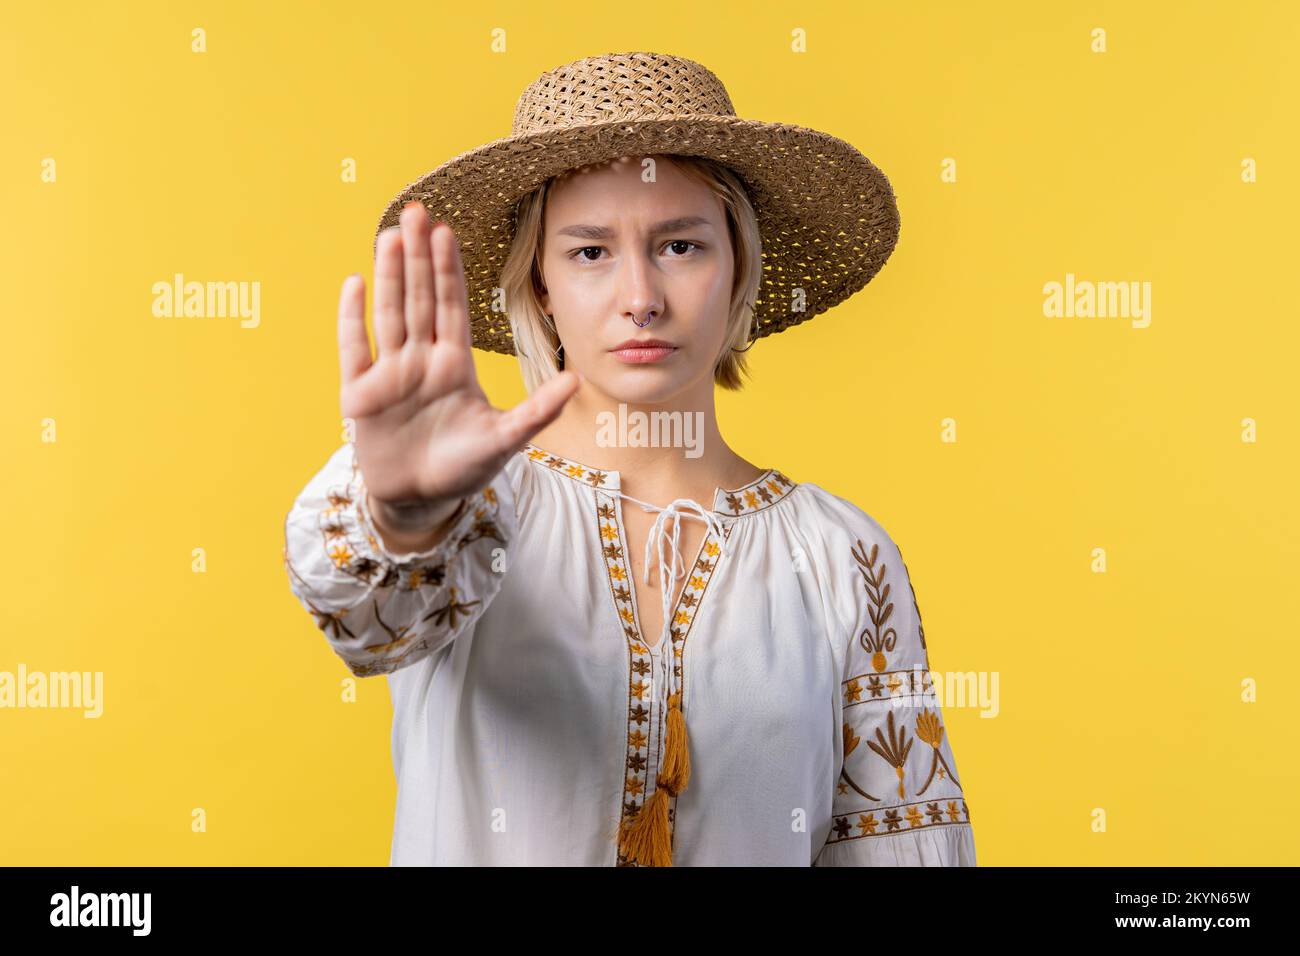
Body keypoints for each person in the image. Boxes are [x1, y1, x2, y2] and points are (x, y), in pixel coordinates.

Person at [282, 51, 976, 866]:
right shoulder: (469, 510)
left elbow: (901, 846)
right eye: (589, 252)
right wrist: (402, 516)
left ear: (739, 267)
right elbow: (365, 622)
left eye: (681, 246)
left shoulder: (843, 558)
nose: (640, 295)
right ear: (539, 285)